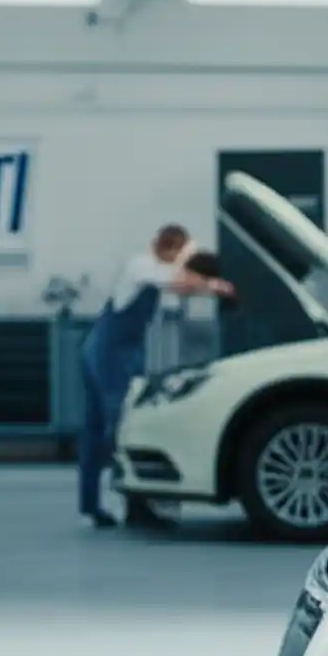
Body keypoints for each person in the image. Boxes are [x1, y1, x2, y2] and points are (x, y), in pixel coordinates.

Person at [79, 224, 235, 528]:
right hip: (108, 354)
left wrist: (206, 283)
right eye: (180, 252)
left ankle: (99, 505)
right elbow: (178, 282)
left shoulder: (157, 270)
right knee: (120, 428)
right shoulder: (141, 266)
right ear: (168, 248)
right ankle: (134, 505)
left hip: (120, 352)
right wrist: (217, 286)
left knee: (104, 428)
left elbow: (179, 286)